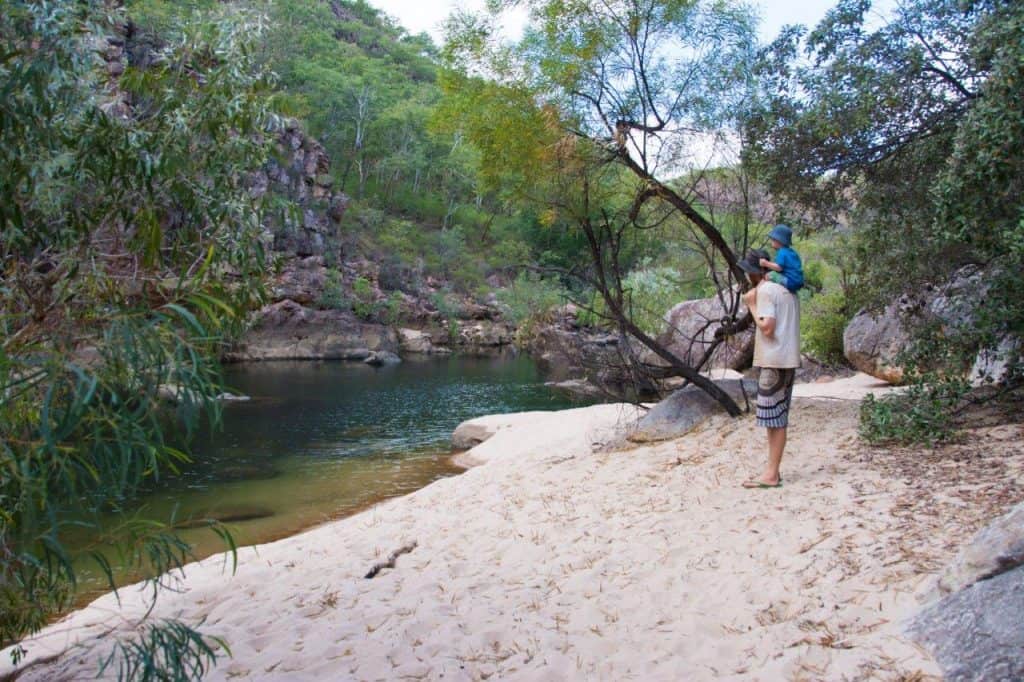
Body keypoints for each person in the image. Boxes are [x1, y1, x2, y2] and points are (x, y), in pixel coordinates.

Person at [739, 248, 801, 488]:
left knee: (771, 418)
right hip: (788, 359)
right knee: (778, 418)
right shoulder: (788, 291)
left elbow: (767, 327)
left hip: (774, 361)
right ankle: (772, 470)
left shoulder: (764, 292)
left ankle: (772, 474)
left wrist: (752, 305)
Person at [758, 224, 804, 294]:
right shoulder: (792, 252)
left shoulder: (782, 252)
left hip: (790, 281)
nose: (771, 241)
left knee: (770, 275)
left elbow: (779, 268)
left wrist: (766, 263)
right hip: (798, 282)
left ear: (779, 241)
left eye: (773, 240)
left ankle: (760, 291)